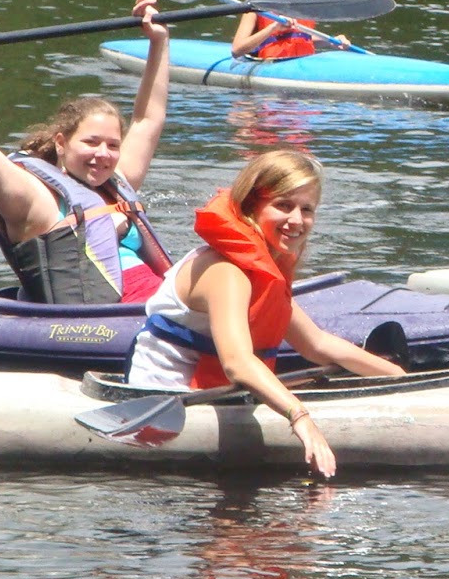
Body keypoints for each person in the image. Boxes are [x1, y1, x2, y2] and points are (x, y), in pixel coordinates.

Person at [127, 148, 405, 479]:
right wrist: (300, 418)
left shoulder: (263, 270)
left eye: (307, 209)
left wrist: (403, 379)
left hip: (219, 398)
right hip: (167, 401)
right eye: (283, 206)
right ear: (251, 208)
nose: (297, 220)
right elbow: (237, 362)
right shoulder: (226, 272)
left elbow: (316, 344)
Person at [0, 0, 174, 305]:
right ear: (61, 143)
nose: (103, 154)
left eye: (112, 145)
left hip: (160, 302)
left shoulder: (116, 184)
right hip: (106, 321)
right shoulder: (33, 200)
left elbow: (148, 120)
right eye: (91, 142)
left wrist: (159, 43)